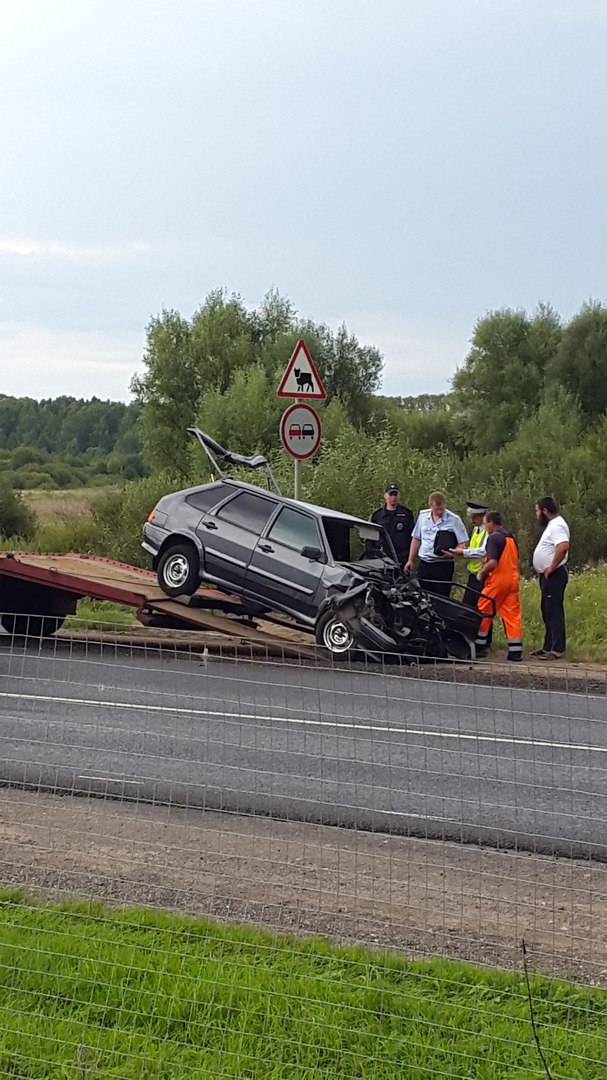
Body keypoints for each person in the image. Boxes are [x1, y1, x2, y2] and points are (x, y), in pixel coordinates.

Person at [475, 511, 523, 662]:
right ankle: (516, 651)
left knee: (484, 610)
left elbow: (493, 562)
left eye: (485, 523)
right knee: (512, 615)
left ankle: (478, 646)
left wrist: (481, 572)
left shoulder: (494, 537)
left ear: (491, 523)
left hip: (497, 581)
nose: (485, 526)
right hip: (513, 580)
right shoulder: (510, 537)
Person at [405, 491, 468, 598]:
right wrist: (410, 559)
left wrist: (452, 553)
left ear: (445, 505)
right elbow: (416, 538)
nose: (439, 512)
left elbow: (463, 542)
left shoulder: (454, 520)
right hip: (425, 564)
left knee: (441, 597)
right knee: (422, 596)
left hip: (443, 565)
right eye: (436, 509)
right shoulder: (423, 516)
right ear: (430, 506)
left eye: (441, 509)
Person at [531, 496, 570, 660]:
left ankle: (558, 648)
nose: (537, 514)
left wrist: (551, 567)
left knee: (554, 610)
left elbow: (563, 547)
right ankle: (548, 645)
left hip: (554, 574)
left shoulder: (558, 526)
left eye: (537, 510)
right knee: (546, 610)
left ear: (545, 511)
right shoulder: (552, 525)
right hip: (547, 575)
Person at [369, 482, 414, 567]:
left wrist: (410, 558)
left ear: (399, 495)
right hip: (381, 558)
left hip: (401, 558)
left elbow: (412, 537)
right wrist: (372, 555)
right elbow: (370, 538)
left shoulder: (406, 513)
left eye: (395, 494)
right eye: (390, 494)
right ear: (385, 495)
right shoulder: (377, 515)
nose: (393, 497)